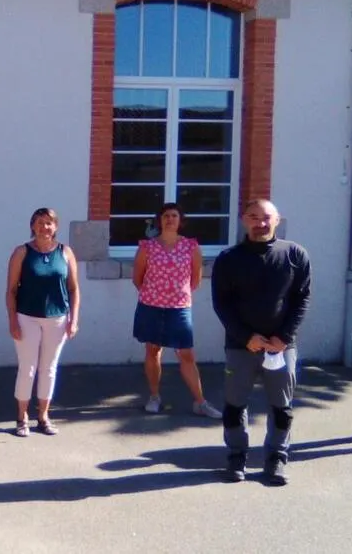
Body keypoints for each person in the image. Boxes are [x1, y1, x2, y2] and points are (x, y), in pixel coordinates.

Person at [212, 199, 311, 486]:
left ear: (277, 220)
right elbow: (222, 304)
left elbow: (302, 299)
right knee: (234, 404)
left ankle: (276, 458)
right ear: (244, 219)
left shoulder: (295, 254)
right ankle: (236, 456)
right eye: (254, 217)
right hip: (241, 346)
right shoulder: (229, 258)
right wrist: (246, 337)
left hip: (281, 347)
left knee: (281, 406)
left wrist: (284, 337)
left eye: (266, 217)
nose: (260, 223)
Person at [132, 203, 221, 419]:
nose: (170, 219)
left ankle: (200, 402)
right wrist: (156, 294)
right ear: (159, 220)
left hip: (179, 308)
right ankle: (154, 396)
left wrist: (175, 295)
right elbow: (138, 278)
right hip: (151, 306)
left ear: (181, 220)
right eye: (165, 216)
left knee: (186, 354)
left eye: (174, 216)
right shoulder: (147, 247)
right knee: (153, 351)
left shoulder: (191, 247)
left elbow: (195, 280)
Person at [5, 207, 80, 437]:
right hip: (27, 317)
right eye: (39, 222)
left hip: (57, 319)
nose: (44, 227)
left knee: (49, 369)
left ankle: (44, 416)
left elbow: (74, 289)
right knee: (27, 368)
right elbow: (11, 290)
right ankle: (22, 417)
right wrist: (13, 321)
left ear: (55, 227)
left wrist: (74, 319)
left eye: (48, 223)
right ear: (32, 226)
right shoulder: (22, 252)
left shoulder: (65, 252)